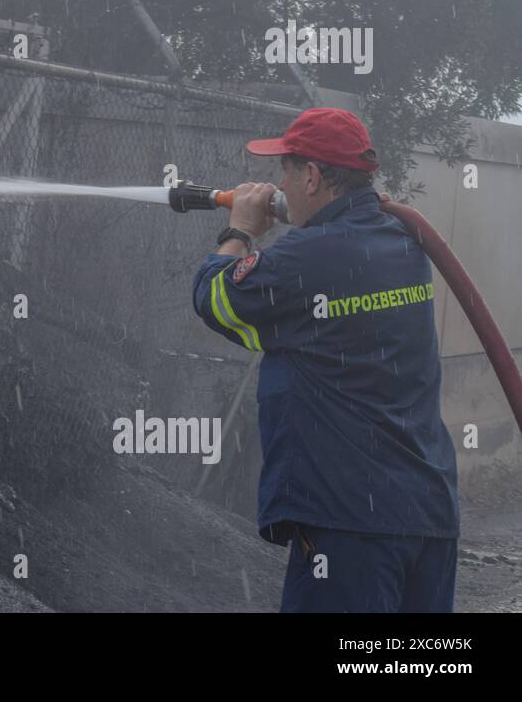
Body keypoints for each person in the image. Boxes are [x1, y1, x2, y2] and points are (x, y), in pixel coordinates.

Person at [191, 107, 459, 612]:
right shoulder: (401, 244)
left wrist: (241, 232)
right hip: (427, 514)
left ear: (311, 176)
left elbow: (216, 299)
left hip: (350, 522)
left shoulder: (308, 258)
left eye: (285, 172)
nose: (279, 184)